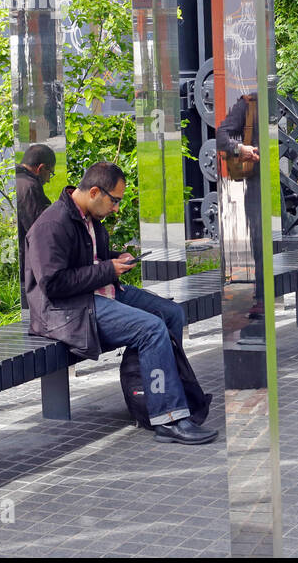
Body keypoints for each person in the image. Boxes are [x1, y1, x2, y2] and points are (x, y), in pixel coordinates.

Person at [23, 161, 218, 445]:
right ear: (93, 192)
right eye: (114, 200)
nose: (116, 208)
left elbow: (87, 261)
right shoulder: (52, 224)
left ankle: (146, 394)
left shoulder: (89, 218)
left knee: (171, 314)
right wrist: (107, 270)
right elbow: (52, 284)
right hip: (66, 312)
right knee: (151, 328)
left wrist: (118, 259)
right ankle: (169, 418)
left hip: (97, 294)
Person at [219, 91, 264, 319]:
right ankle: (261, 299)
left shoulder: (276, 103)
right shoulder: (248, 104)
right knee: (260, 244)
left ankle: (266, 296)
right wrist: (240, 149)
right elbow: (221, 136)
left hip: (277, 186)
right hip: (256, 185)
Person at [15, 143, 55, 260]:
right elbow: (40, 232)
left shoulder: (13, 178)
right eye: (50, 174)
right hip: (26, 260)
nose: (48, 180)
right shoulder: (31, 187)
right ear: (41, 168)